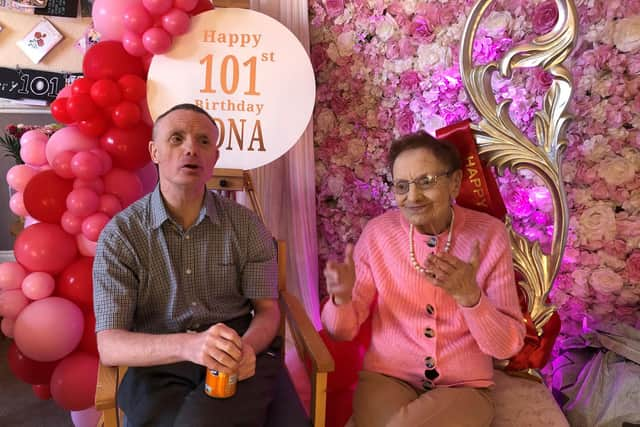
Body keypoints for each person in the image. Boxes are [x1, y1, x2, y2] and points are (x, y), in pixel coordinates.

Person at [93, 103, 281, 427]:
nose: (191, 148)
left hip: (236, 351)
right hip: (160, 361)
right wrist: (189, 345)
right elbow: (110, 344)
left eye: (204, 141)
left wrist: (246, 349)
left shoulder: (247, 226)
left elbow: (267, 311)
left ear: (215, 158)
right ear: (154, 151)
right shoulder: (121, 235)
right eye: (177, 138)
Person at [322, 131, 526, 427]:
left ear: (455, 182)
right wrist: (341, 299)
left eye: (426, 182)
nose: (413, 196)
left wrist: (471, 298)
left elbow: (507, 346)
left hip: (464, 389)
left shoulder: (489, 234)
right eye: (402, 186)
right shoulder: (379, 234)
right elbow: (341, 332)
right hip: (386, 379)